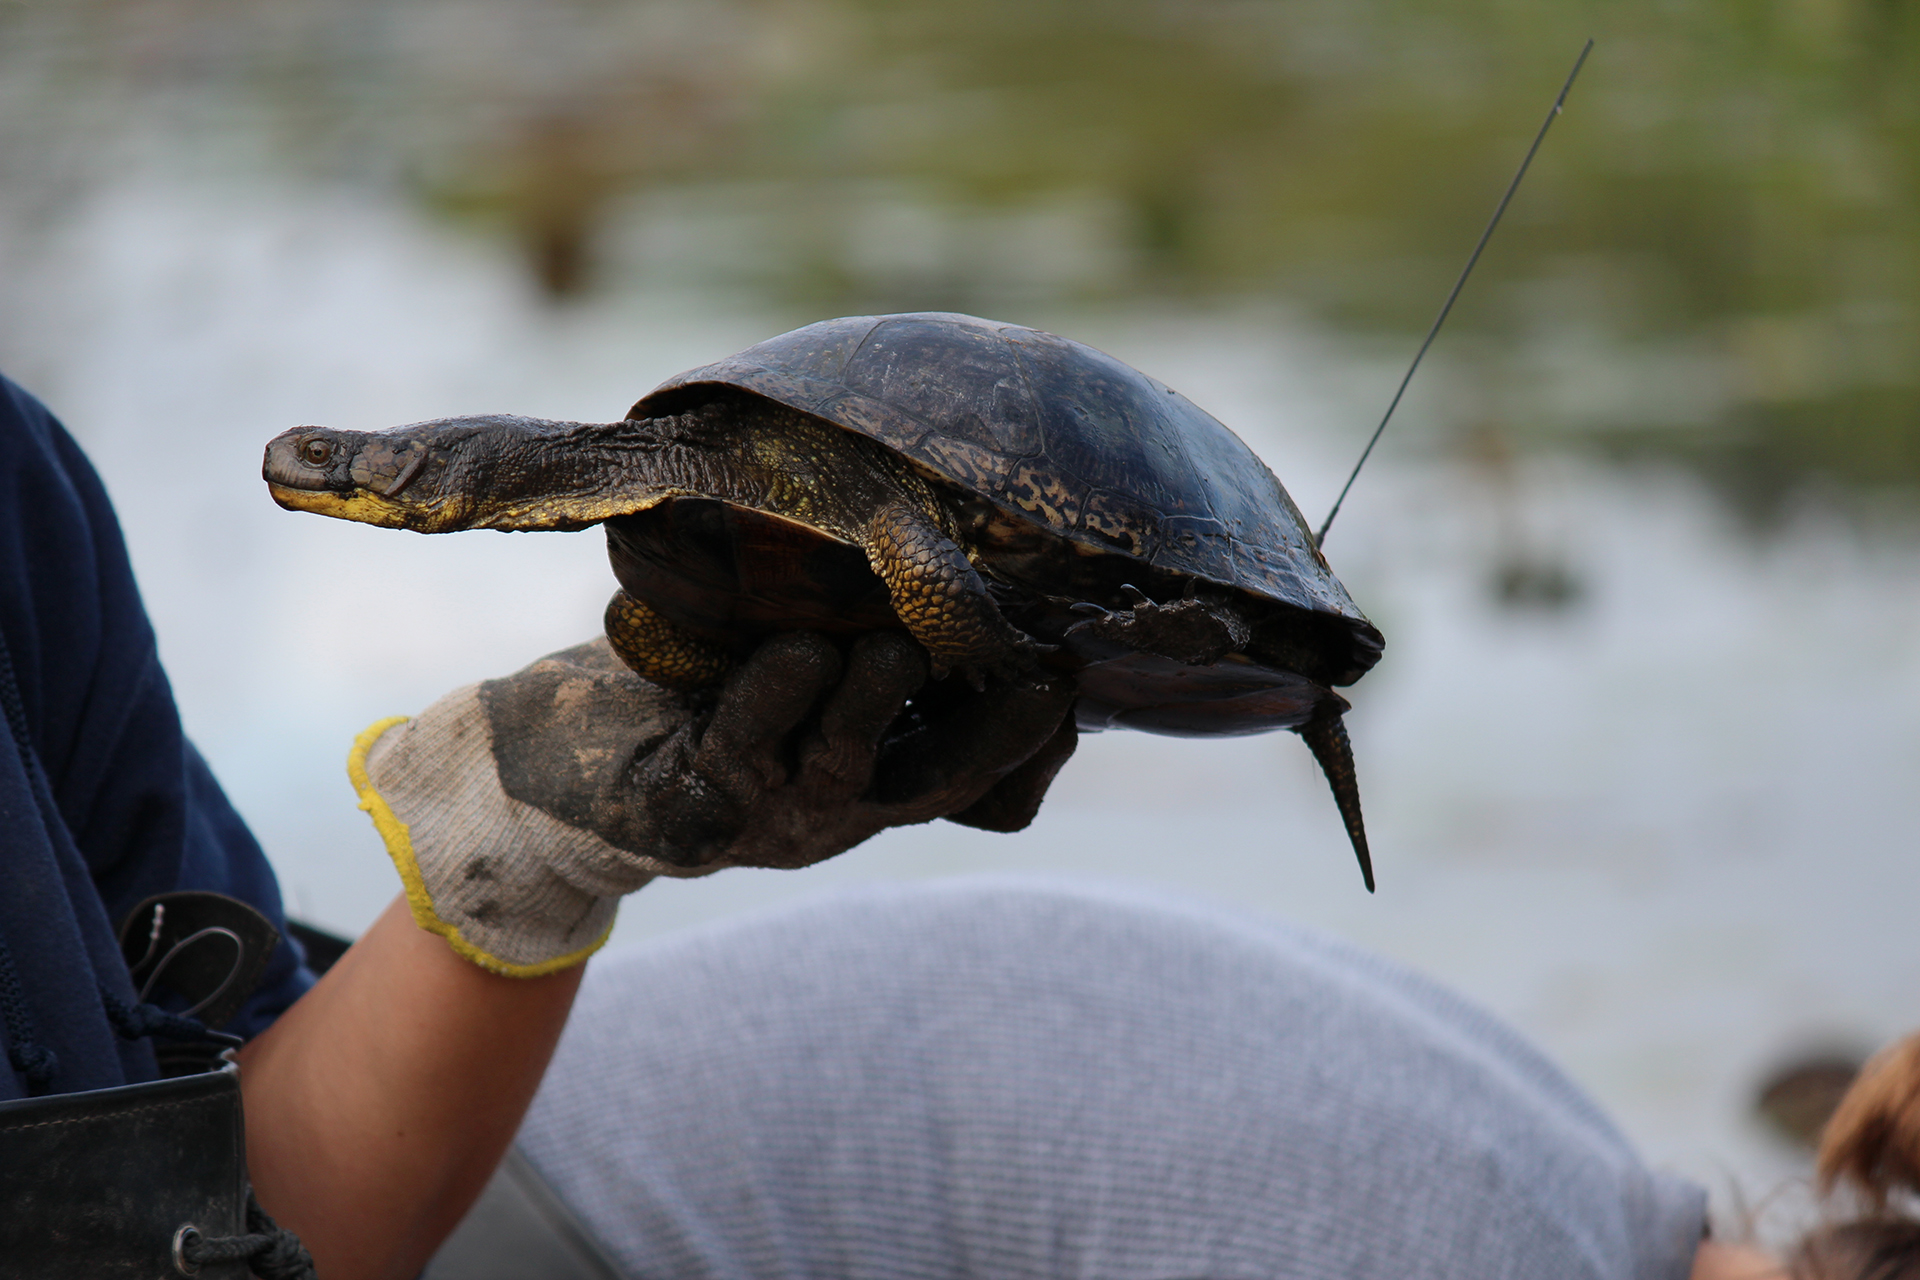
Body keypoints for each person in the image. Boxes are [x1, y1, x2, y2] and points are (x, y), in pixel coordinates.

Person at [2, 370, 1917, 1280]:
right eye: (358, 472)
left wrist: (525, 842)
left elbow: (256, 1219)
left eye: (373, 471)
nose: (329, 481)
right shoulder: (1492, 1218)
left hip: (497, 1173)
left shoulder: (27, 513)